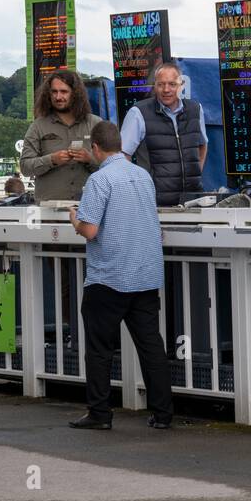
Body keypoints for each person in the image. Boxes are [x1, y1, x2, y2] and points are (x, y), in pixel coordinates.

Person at [67, 121, 174, 430]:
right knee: (151, 346)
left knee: (100, 350)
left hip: (109, 276)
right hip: (145, 273)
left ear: (95, 149)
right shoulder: (143, 177)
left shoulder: (99, 180)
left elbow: (90, 230)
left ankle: (100, 413)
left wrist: (74, 218)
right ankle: (163, 413)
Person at [121, 61, 208, 207]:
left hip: (193, 200)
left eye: (172, 84)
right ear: (155, 86)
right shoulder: (138, 113)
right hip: (155, 202)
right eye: (161, 84)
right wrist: (138, 187)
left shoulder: (196, 110)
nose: (166, 89)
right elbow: (123, 155)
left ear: (181, 86)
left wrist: (195, 175)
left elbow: (202, 145)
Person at [20, 69, 103, 202]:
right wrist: (51, 160)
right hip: (49, 210)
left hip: (88, 206)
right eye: (54, 91)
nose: (58, 97)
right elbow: (25, 167)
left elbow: (112, 166)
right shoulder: (38, 126)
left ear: (76, 94)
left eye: (64, 91)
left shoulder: (95, 124)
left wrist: (89, 159)